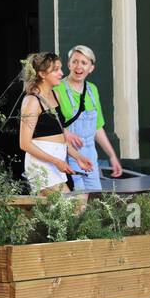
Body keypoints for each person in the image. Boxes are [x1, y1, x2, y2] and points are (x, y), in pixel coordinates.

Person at [55, 45, 123, 193]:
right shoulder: (57, 89)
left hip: (91, 156)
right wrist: (64, 132)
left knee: (95, 201)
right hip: (68, 155)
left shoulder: (92, 90)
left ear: (91, 68)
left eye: (84, 63)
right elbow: (49, 125)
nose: (79, 66)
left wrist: (112, 156)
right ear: (69, 64)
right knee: (77, 204)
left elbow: (97, 127)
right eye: (75, 61)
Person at [18, 52, 78, 195]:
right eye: (56, 70)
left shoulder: (55, 95)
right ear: (42, 74)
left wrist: (78, 157)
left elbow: (59, 133)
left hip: (58, 161)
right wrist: (56, 161)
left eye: (60, 68)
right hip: (42, 164)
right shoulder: (32, 101)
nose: (62, 73)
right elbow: (24, 143)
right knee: (71, 208)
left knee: (56, 213)